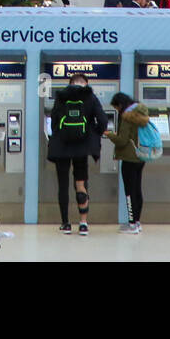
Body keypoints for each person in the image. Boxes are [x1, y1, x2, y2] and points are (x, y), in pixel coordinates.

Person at [46, 72, 106, 235]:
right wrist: (93, 134)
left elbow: (53, 120)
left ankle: (65, 223)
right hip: (82, 147)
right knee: (81, 183)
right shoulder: (90, 97)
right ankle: (83, 223)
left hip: (61, 146)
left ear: (71, 83)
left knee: (63, 185)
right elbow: (103, 121)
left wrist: (60, 135)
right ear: (85, 83)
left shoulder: (61, 96)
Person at [104, 92, 150, 234]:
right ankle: (137, 222)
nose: (117, 111)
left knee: (129, 192)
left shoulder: (127, 117)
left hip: (129, 158)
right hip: (141, 156)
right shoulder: (141, 113)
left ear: (121, 105)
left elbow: (122, 140)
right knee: (137, 189)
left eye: (117, 108)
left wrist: (109, 134)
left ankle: (131, 225)